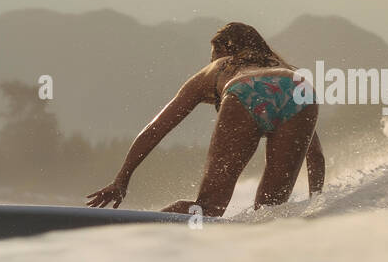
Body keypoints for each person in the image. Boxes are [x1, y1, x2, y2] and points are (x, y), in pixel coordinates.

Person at [86, 22, 323, 216]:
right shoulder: (278, 68)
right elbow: (315, 156)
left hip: (245, 90)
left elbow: (157, 127)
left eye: (212, 57)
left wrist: (122, 180)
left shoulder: (219, 68)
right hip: (301, 89)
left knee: (208, 208)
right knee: (270, 212)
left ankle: (144, 238)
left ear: (224, 51)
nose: (210, 63)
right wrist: (318, 207)